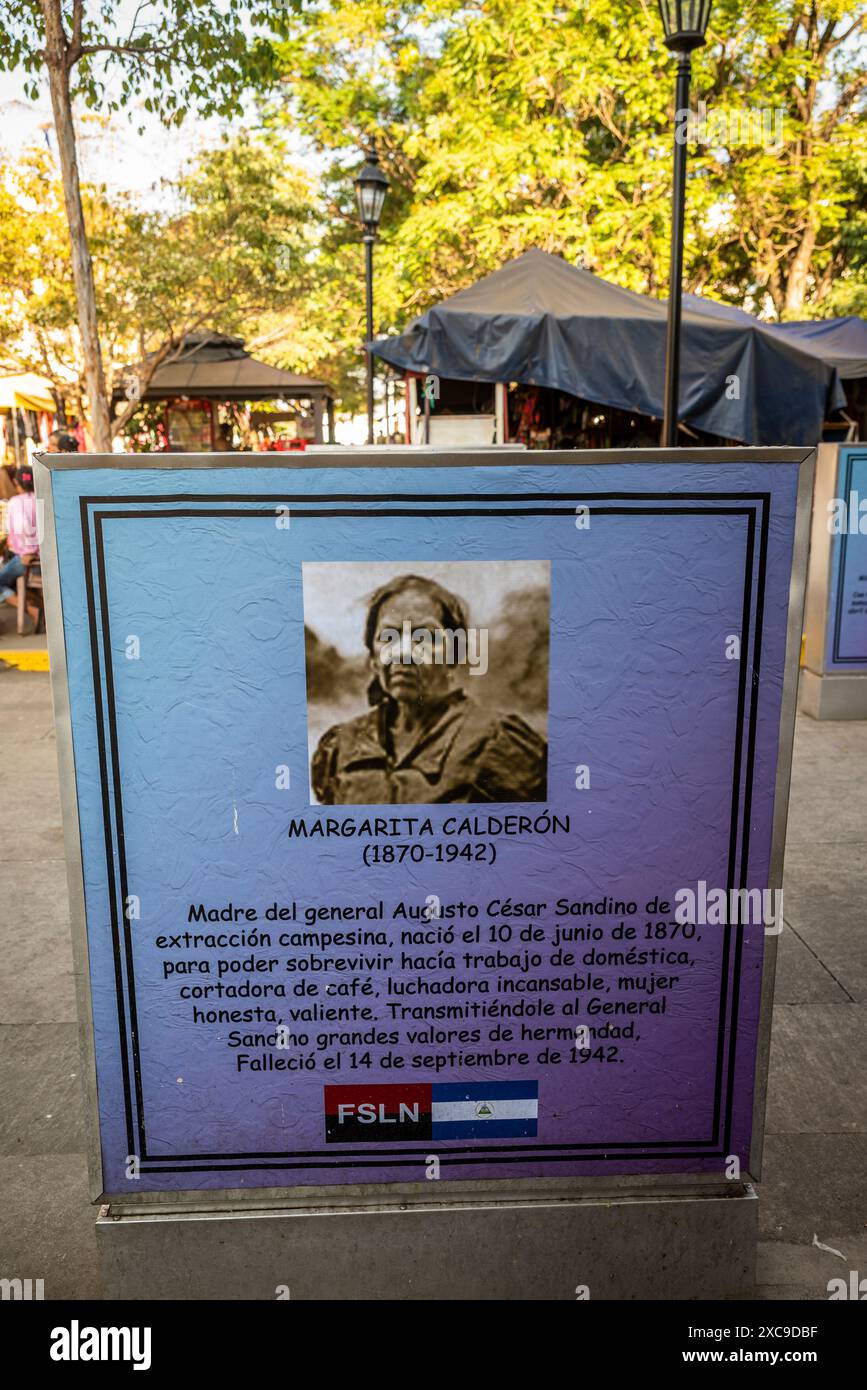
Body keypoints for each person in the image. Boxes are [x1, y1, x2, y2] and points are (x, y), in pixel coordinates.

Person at [311, 573, 547, 805]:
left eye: (424, 636)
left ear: (454, 654)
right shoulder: (342, 747)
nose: (403, 652)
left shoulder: (498, 745)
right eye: (388, 636)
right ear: (373, 658)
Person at [0, 464, 42, 630]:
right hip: (43, 558)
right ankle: (36, 608)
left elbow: (20, 527)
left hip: (26, 559)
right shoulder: (41, 499)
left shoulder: (15, 503)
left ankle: (32, 611)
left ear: (17, 483)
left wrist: (29, 551)